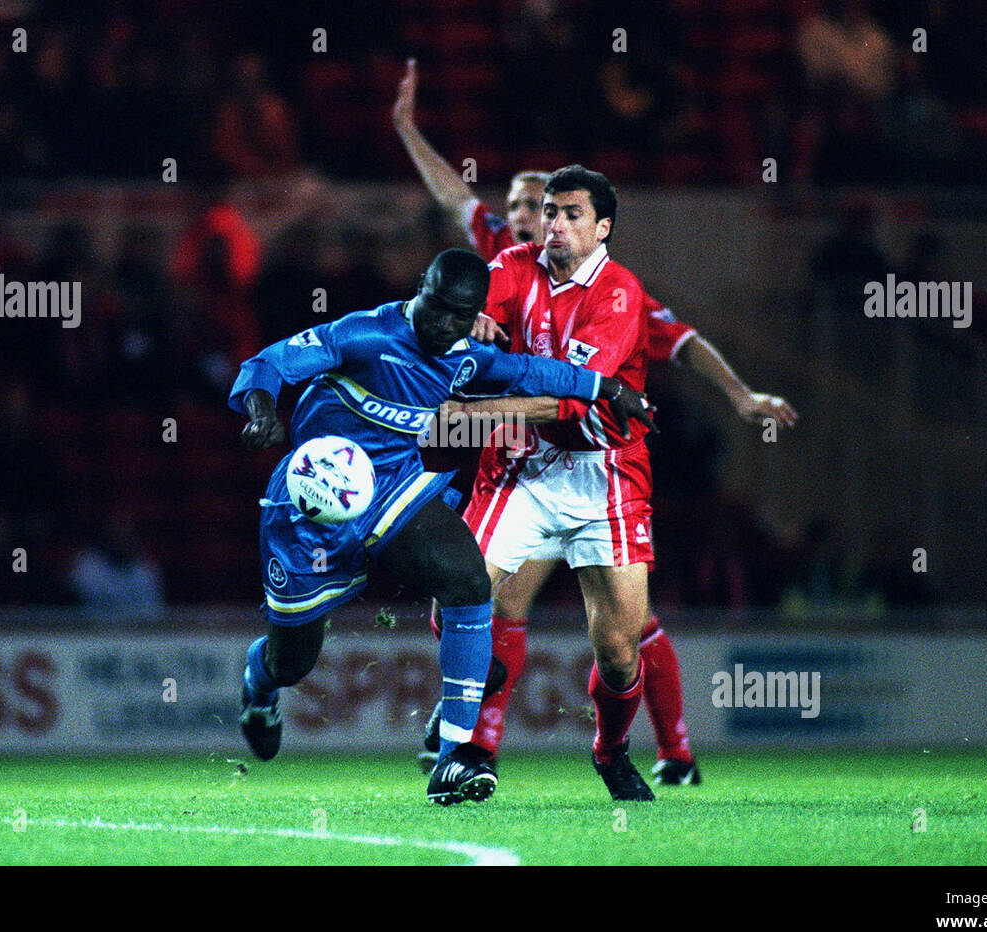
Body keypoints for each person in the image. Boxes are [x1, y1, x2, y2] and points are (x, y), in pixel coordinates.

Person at [394, 64, 798, 788]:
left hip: (604, 472)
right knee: (464, 597)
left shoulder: (621, 297)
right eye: (538, 209)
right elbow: (473, 264)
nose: (542, 221)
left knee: (620, 648)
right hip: (519, 465)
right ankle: (467, 736)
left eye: (561, 211)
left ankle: (619, 749)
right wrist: (468, 320)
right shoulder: (508, 258)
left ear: (602, 225)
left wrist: (739, 396)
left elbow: (585, 401)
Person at [230, 248, 655, 805]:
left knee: (468, 582)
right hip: (311, 507)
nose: (444, 325)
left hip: (389, 490)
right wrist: (262, 411)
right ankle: (259, 690)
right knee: (294, 660)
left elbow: (532, 371)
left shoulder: (463, 358)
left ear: (475, 314)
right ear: (419, 293)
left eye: (460, 315)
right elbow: (266, 364)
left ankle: (455, 755)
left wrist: (608, 389)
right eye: (436, 309)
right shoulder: (365, 335)